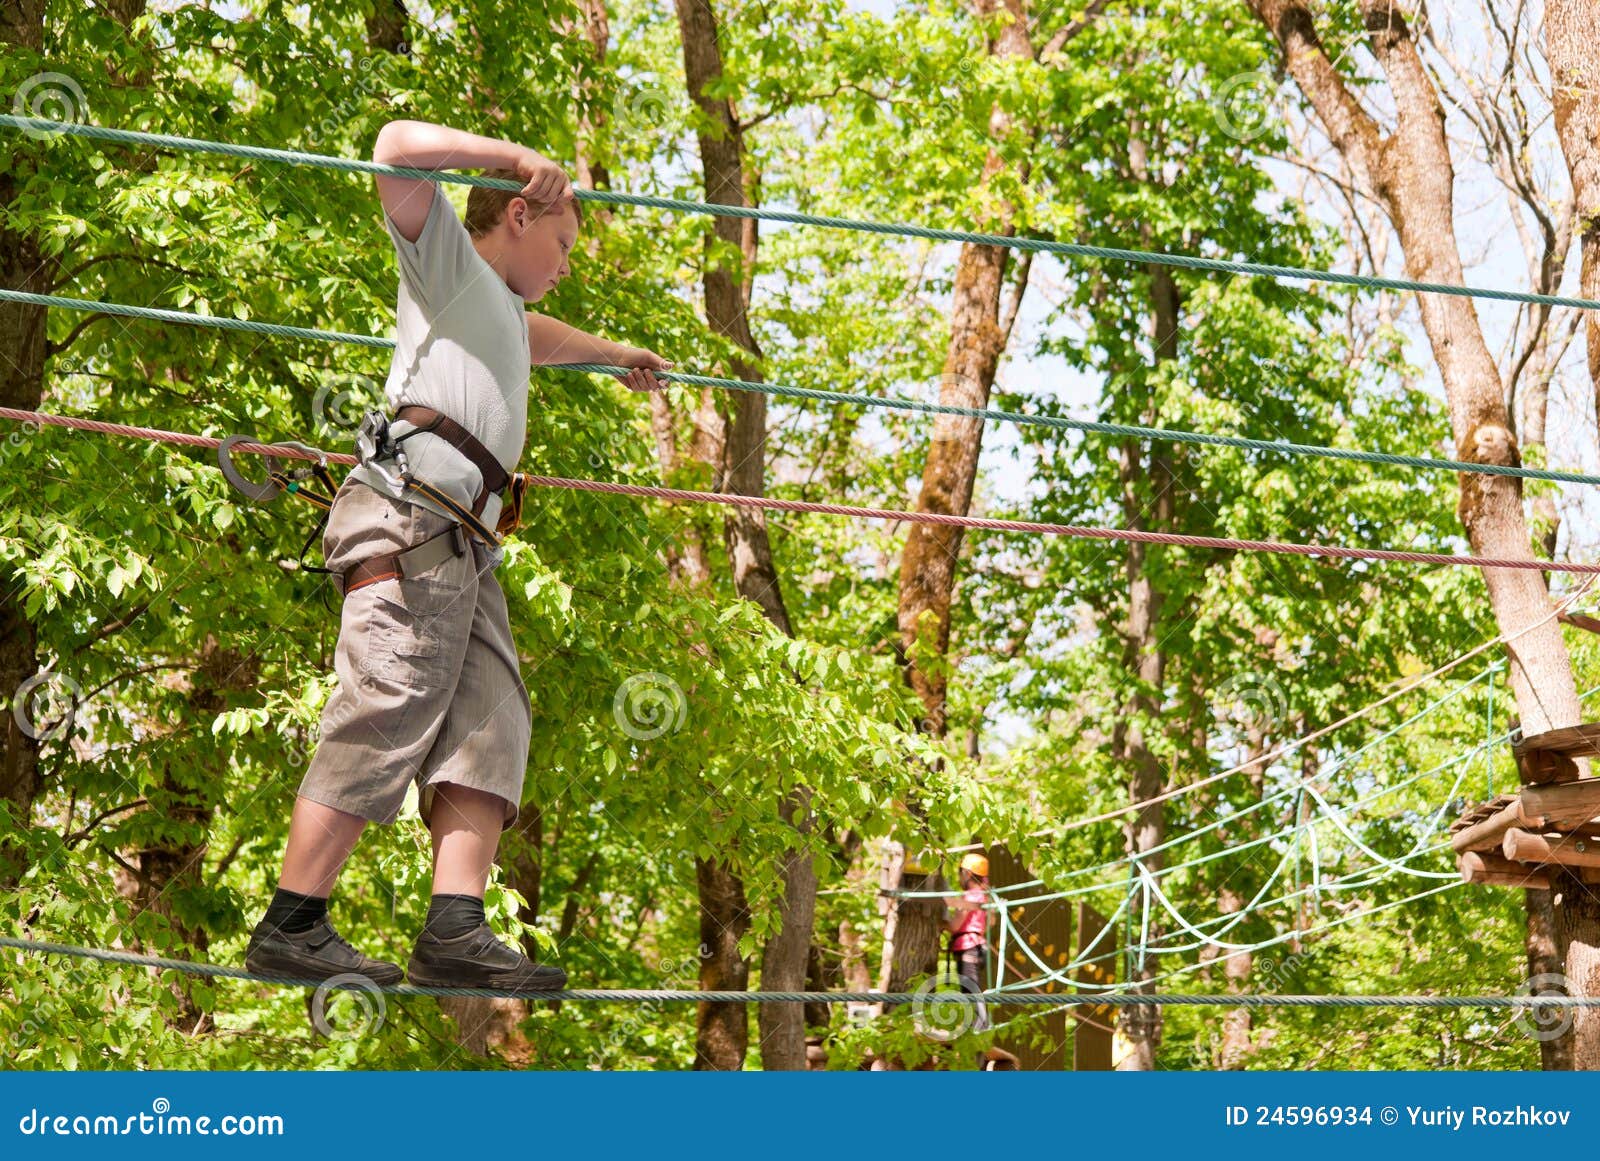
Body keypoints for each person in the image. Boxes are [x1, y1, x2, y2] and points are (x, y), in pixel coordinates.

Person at [245, 119, 671, 994]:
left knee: (493, 716)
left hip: (464, 550)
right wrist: (514, 155)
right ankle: (292, 919)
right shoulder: (445, 263)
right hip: (409, 524)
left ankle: (455, 924)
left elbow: (535, 333)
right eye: (561, 242)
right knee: (390, 697)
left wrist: (612, 355)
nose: (566, 262)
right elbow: (394, 144)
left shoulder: (498, 310)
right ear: (518, 214)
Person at [946, 852, 992, 1032]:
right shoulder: (985, 895)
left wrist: (940, 924)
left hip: (968, 947)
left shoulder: (970, 897)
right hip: (978, 946)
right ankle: (975, 1025)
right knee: (971, 988)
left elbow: (956, 925)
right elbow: (990, 923)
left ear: (966, 873)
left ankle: (978, 1027)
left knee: (970, 988)